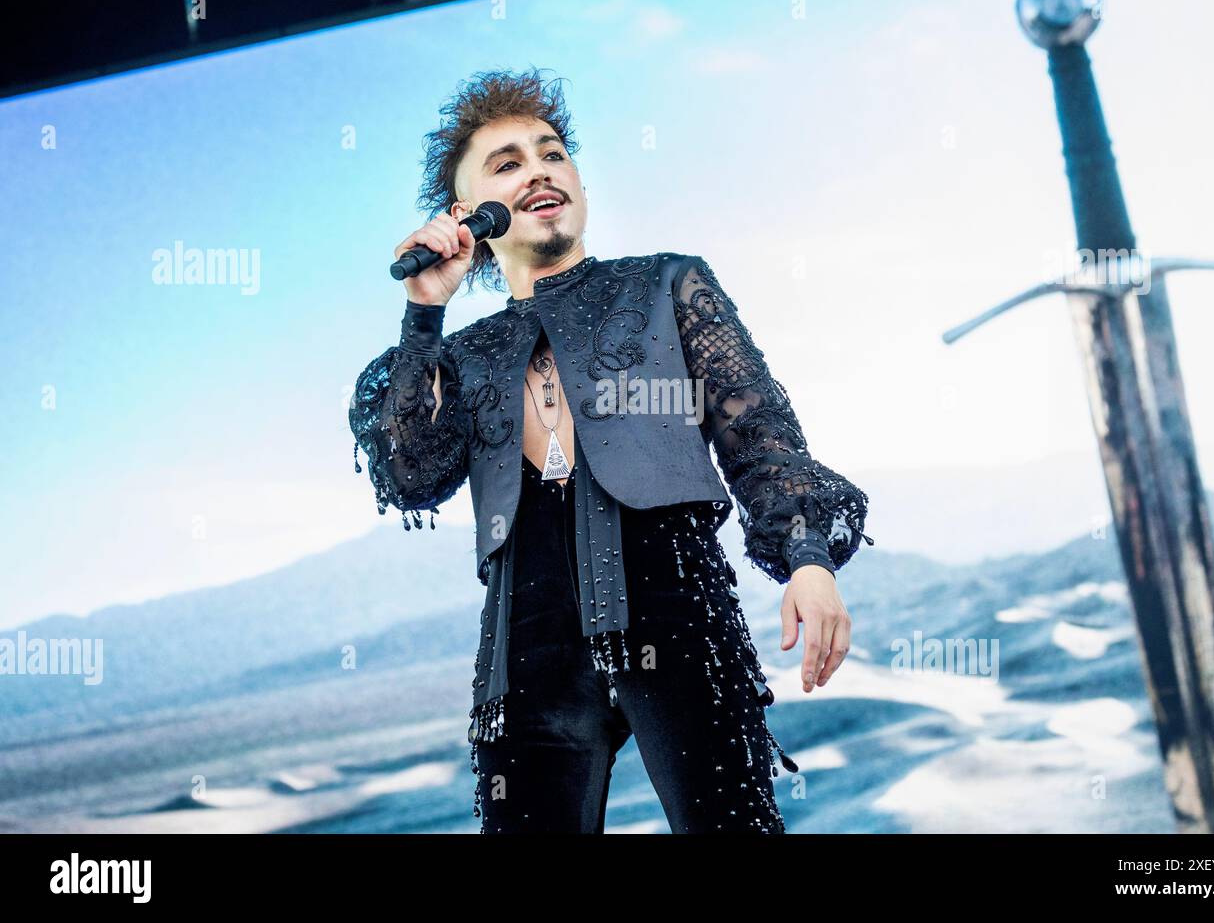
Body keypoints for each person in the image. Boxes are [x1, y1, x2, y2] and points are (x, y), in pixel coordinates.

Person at [349, 66, 872, 833]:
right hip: (524, 663)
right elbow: (410, 473)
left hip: (683, 622)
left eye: (552, 153)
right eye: (508, 164)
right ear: (470, 215)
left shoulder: (665, 286)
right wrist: (424, 312)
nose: (539, 170)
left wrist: (809, 560)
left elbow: (758, 435)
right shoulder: (455, 356)